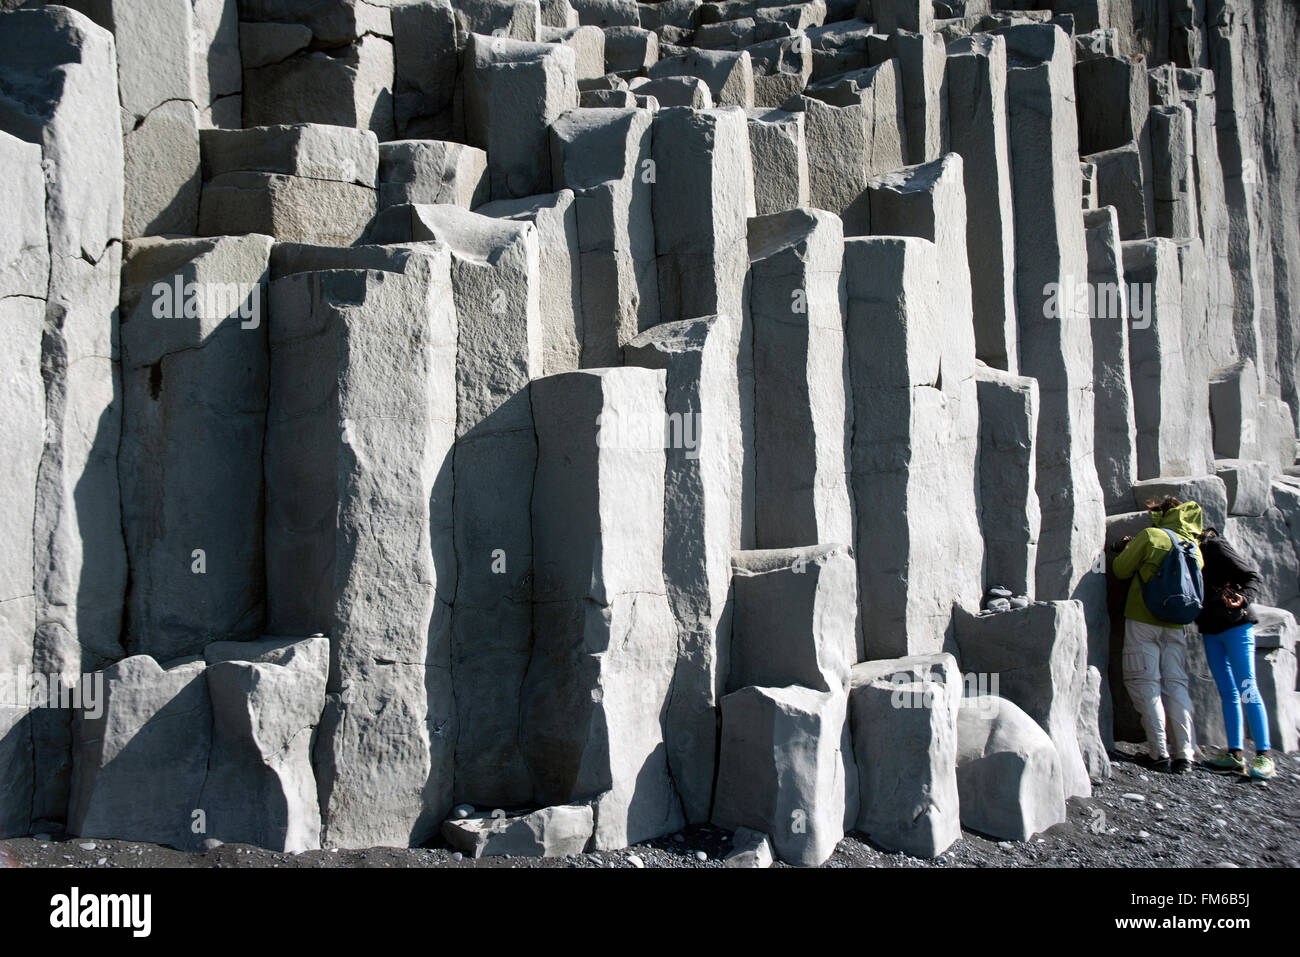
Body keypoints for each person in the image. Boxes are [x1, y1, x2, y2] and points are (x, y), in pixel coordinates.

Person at [1112, 496, 1204, 773]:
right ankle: (1184, 755)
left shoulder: (1152, 536)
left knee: (1145, 681)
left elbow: (1120, 569)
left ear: (1162, 514)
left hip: (1143, 619)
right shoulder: (1195, 548)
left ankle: (1158, 752)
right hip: (1176, 625)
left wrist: (1126, 548)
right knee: (1176, 685)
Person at [1195, 528, 1276, 780]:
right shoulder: (1186, 550)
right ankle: (1235, 755)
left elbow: (1252, 576)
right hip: (1210, 630)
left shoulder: (1213, 546)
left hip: (1237, 627)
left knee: (1247, 688)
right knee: (1228, 692)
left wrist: (1242, 598)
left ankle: (1265, 757)